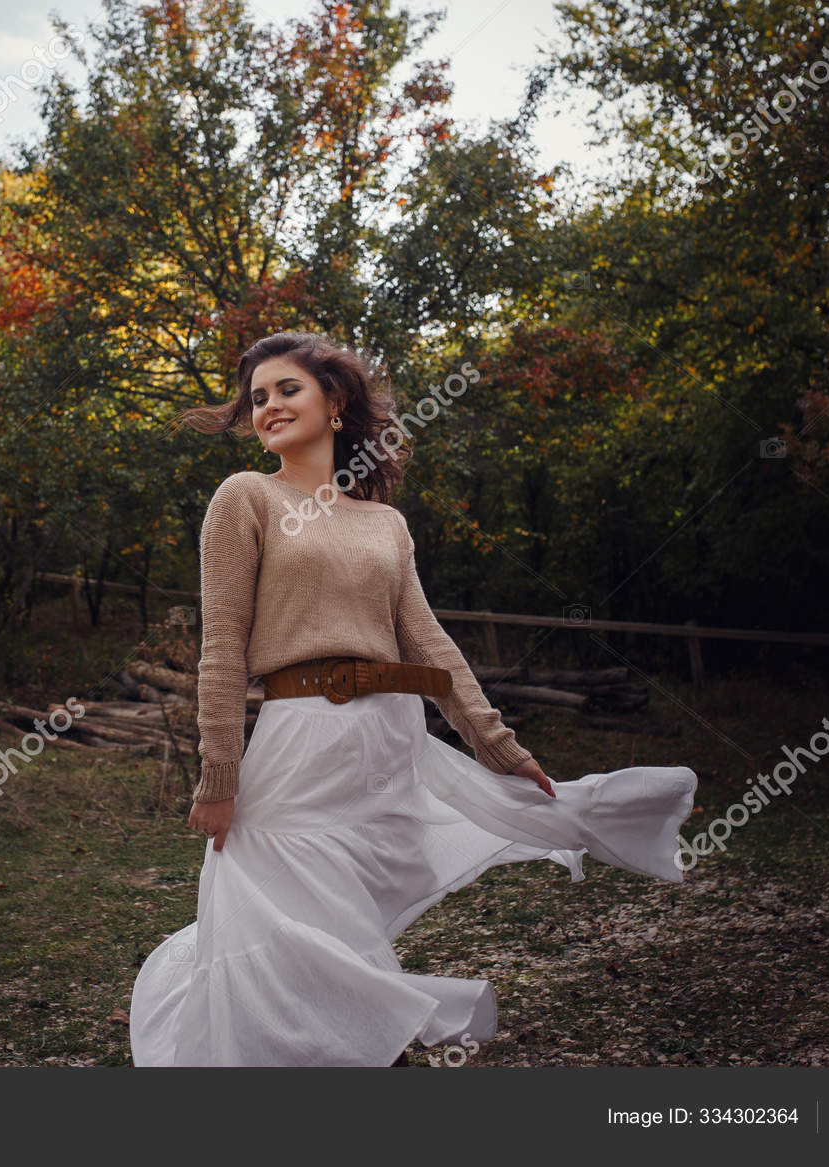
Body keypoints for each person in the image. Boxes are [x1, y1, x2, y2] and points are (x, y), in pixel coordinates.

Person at [129, 331, 696, 1067]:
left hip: (387, 742)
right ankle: (348, 1047)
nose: (268, 406)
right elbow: (222, 647)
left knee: (341, 909)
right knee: (266, 892)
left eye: (286, 389)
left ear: (335, 403)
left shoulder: (384, 524)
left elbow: (430, 646)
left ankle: (352, 1041)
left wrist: (499, 745)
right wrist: (219, 775)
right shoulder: (246, 497)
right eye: (257, 397)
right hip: (300, 736)